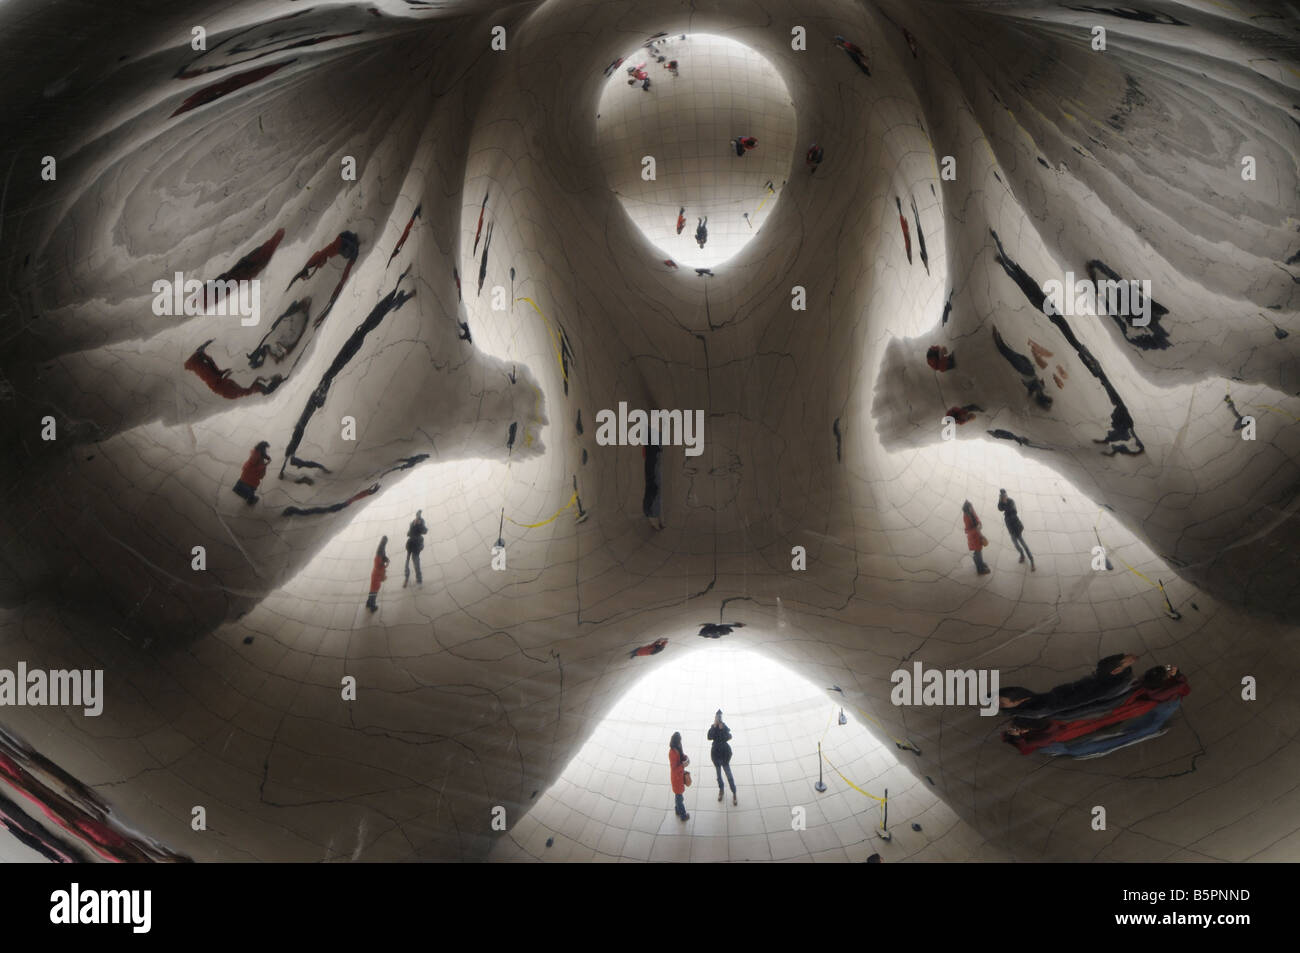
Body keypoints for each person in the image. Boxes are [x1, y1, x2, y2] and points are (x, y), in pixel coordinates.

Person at [999, 654, 1140, 719]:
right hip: (1086, 700)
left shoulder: (1033, 705)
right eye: (1125, 661)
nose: (1131, 659)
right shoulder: (1039, 708)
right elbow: (1083, 701)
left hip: (1086, 697)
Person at [998, 490, 1034, 570]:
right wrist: (1000, 501)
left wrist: (1005, 503)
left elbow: (1013, 511)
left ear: (1006, 496)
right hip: (1011, 529)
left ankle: (1032, 560)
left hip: (1016, 528)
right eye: (1003, 497)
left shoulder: (1011, 501)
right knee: (1016, 545)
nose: (1004, 498)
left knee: (1024, 545)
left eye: (1004, 496)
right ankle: (1022, 555)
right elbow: (999, 508)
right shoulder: (1003, 502)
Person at [707, 710, 738, 805]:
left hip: (724, 755)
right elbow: (709, 737)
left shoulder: (724, 727)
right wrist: (714, 727)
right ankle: (721, 790)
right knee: (719, 776)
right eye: (716, 718)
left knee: (729, 775)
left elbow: (729, 737)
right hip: (716, 755)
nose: (718, 719)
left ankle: (734, 792)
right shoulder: (713, 727)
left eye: (719, 718)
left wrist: (722, 729)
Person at [961, 501, 990, 574]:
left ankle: (980, 563)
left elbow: (976, 517)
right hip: (973, 538)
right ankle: (980, 570)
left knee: (978, 552)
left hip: (978, 535)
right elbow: (968, 531)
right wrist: (976, 529)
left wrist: (979, 523)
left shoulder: (971, 511)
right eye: (970, 508)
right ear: (967, 509)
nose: (972, 509)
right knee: (978, 552)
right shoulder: (966, 517)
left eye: (972, 507)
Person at [668, 732, 691, 821]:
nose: (680, 742)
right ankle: (683, 815)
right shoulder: (672, 753)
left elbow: (682, 755)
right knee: (679, 797)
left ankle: (677, 809)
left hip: (679, 775)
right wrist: (683, 765)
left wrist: (685, 758)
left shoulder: (678, 747)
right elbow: (674, 768)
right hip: (676, 777)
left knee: (678, 795)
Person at [404, 510, 428, 587]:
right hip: (410, 544)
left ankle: (419, 580)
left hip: (416, 545)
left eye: (419, 516)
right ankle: (407, 578)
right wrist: (413, 526)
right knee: (407, 562)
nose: (417, 518)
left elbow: (425, 531)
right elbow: (409, 533)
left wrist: (419, 525)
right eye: (417, 516)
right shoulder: (412, 523)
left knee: (416, 562)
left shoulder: (421, 522)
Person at [365, 537, 389, 612]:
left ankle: (369, 603)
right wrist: (386, 565)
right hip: (377, 576)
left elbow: (383, 556)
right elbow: (380, 565)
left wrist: (386, 559)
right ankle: (372, 606)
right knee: (374, 591)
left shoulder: (380, 551)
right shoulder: (378, 559)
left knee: (372, 590)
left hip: (375, 574)